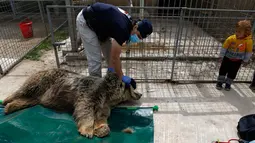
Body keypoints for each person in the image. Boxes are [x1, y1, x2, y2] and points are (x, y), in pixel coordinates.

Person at [76, 2, 153, 89]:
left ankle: (111, 80)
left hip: (99, 24)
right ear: (136, 27)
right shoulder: (122, 29)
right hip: (86, 21)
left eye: (140, 38)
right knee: (95, 61)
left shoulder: (129, 23)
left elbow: (114, 56)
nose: (137, 39)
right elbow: (115, 57)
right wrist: (121, 77)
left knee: (109, 57)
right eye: (138, 36)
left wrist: (114, 71)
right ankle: (95, 89)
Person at [216, 20, 253, 91]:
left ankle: (228, 83)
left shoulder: (248, 41)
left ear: (246, 32)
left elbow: (248, 52)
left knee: (233, 72)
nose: (236, 33)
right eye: (236, 31)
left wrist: (245, 60)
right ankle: (220, 82)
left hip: (237, 61)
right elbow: (224, 47)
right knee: (223, 70)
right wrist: (221, 56)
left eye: (239, 32)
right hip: (227, 58)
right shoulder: (231, 38)